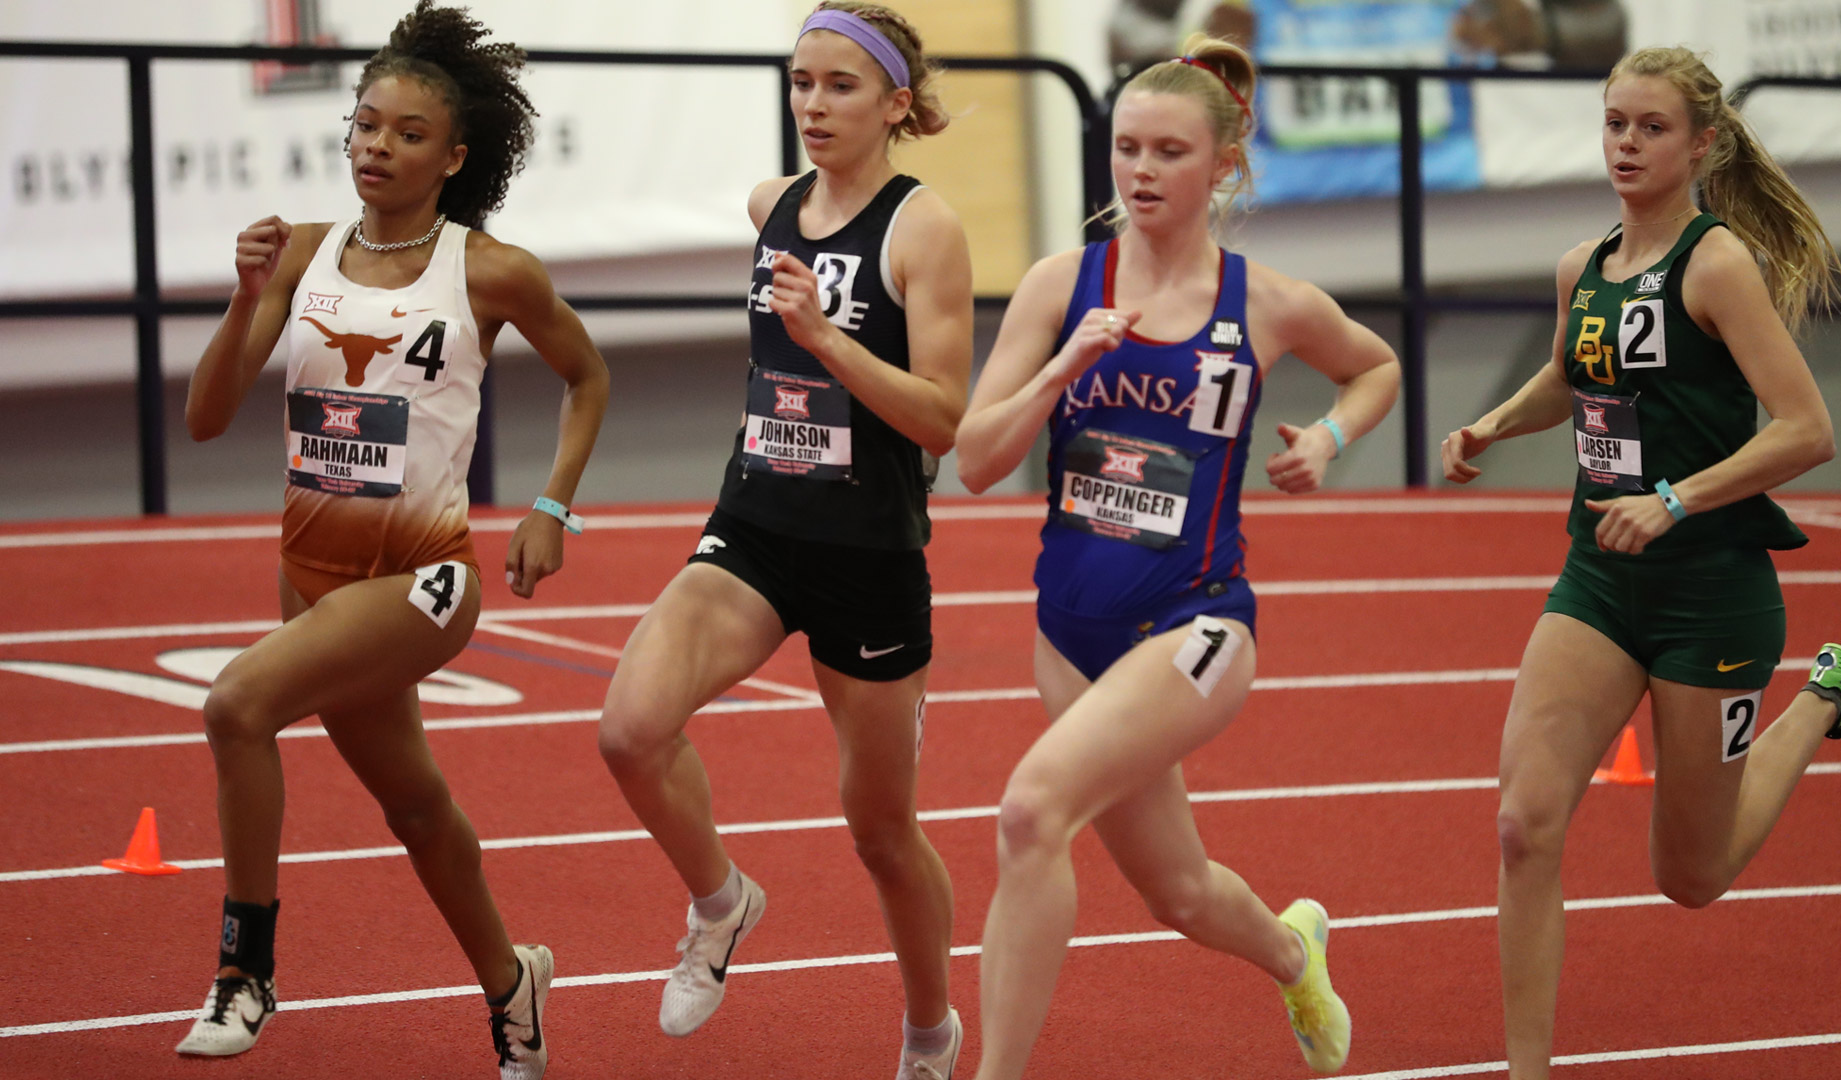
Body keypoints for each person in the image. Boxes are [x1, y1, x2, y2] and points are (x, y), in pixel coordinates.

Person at [1438, 45, 1841, 1080]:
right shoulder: (1583, 266)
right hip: (1599, 580)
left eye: (1651, 128)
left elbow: (1808, 430)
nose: (1627, 145)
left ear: (1701, 146)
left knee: (1691, 877)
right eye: (1615, 124)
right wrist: (1492, 423)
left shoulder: (1717, 264)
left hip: (1711, 595)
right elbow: (1570, 376)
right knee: (1521, 825)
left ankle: (1826, 697)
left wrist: (1675, 499)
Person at [953, 36, 1401, 1078]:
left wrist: (1328, 437)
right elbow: (973, 461)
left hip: (1195, 625)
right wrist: (1062, 367)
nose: (1142, 171)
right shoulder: (1062, 286)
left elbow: (1374, 365)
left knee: (1030, 812)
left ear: (1223, 166)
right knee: (1179, 892)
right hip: (1069, 635)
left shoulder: (1268, 303)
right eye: (1127, 149)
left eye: (1169, 151)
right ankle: (1293, 954)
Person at [174, 4, 609, 1077]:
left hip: (425, 580)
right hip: (310, 575)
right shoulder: (302, 254)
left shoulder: (490, 270)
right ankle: (512, 983)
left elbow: (588, 376)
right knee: (414, 805)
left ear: (453, 157)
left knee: (235, 706)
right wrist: (242, 299)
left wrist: (552, 508)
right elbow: (204, 418)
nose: (377, 146)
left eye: (408, 134)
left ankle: (244, 970)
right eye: (366, 124)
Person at [594, 5, 971, 1077]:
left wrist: (824, 338)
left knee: (881, 833)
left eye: (840, 85)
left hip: (869, 557)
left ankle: (930, 1033)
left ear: (894, 103)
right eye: (801, 82)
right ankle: (721, 903)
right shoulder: (773, 206)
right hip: (755, 527)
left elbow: (943, 418)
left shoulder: (923, 229)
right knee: (629, 731)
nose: (813, 103)